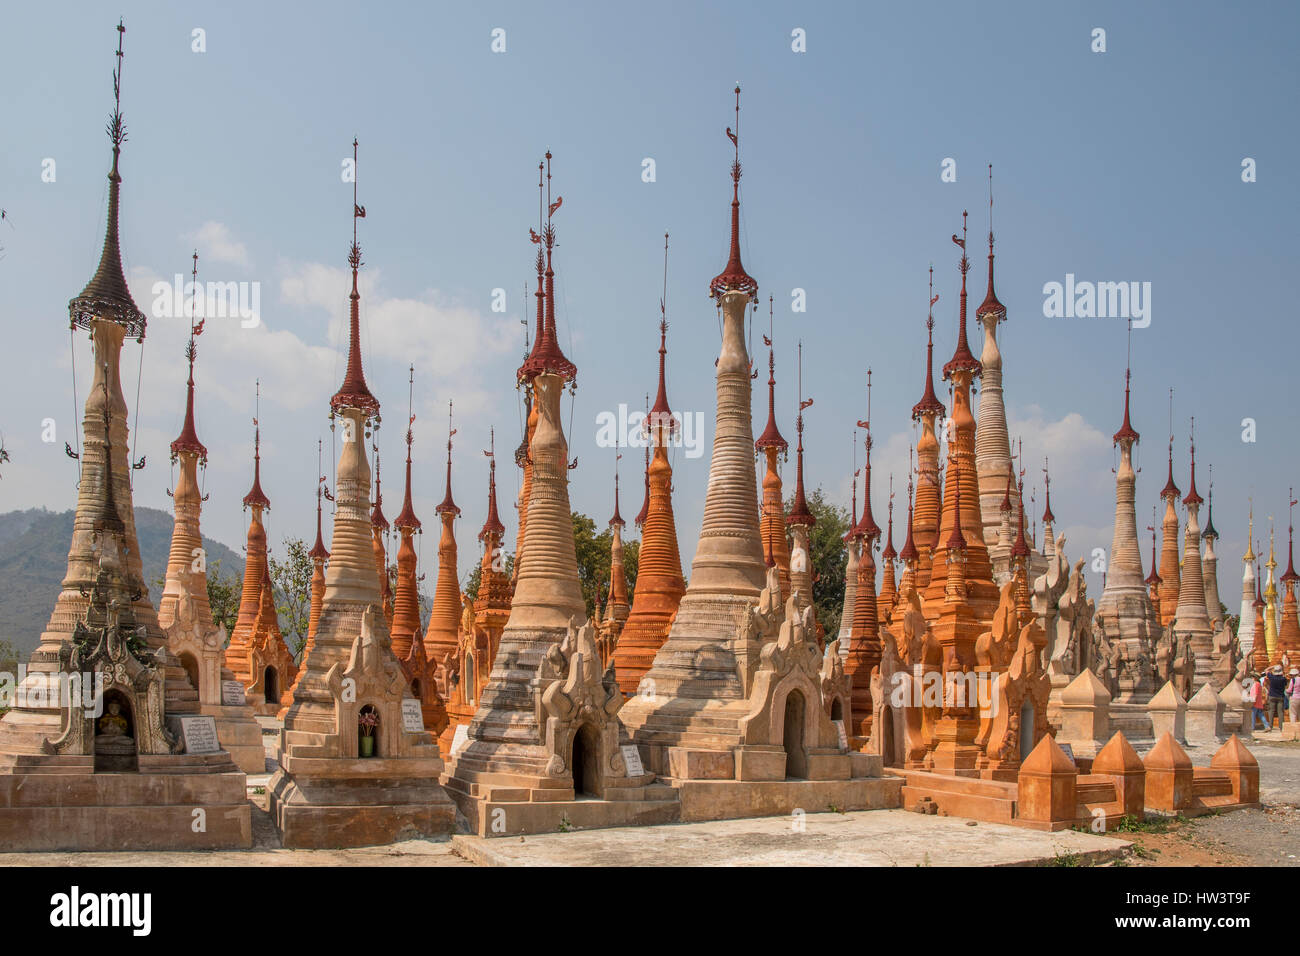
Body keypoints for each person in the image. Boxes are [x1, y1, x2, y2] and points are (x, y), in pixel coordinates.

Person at [1266, 664, 1288, 729]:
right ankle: (1281, 727)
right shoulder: (1283, 679)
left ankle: (1270, 726)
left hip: (1272, 696)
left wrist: (1273, 666)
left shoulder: (1272, 677)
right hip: (1280, 696)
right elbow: (1286, 685)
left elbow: (1266, 670)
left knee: (1271, 711)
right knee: (1280, 712)